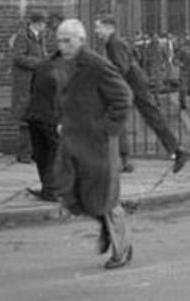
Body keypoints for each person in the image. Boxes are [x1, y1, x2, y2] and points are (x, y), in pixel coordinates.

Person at [52, 19, 135, 269]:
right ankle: (107, 229)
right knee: (73, 192)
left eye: (68, 41)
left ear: (81, 40)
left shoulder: (96, 65)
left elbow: (123, 97)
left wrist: (105, 129)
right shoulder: (63, 64)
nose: (63, 46)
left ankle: (121, 249)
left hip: (97, 144)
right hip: (74, 140)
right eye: (60, 41)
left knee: (106, 197)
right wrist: (63, 121)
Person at [94, 15, 187, 174]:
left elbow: (121, 67)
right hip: (134, 84)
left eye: (98, 27)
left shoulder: (114, 43)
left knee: (152, 117)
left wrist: (106, 77)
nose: (96, 31)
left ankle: (177, 151)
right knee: (143, 117)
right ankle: (124, 159)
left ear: (109, 27)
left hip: (134, 85)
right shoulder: (114, 42)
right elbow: (132, 59)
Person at [9, 10, 48, 164]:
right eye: (43, 23)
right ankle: (24, 153)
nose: (44, 26)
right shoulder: (23, 36)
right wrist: (39, 63)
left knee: (36, 118)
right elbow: (18, 57)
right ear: (36, 23)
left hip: (37, 82)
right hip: (25, 84)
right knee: (25, 119)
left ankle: (33, 152)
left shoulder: (39, 37)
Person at [23, 54, 62, 202]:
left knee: (42, 153)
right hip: (51, 116)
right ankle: (51, 190)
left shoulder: (42, 66)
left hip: (33, 114)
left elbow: (31, 89)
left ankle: (47, 187)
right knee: (57, 151)